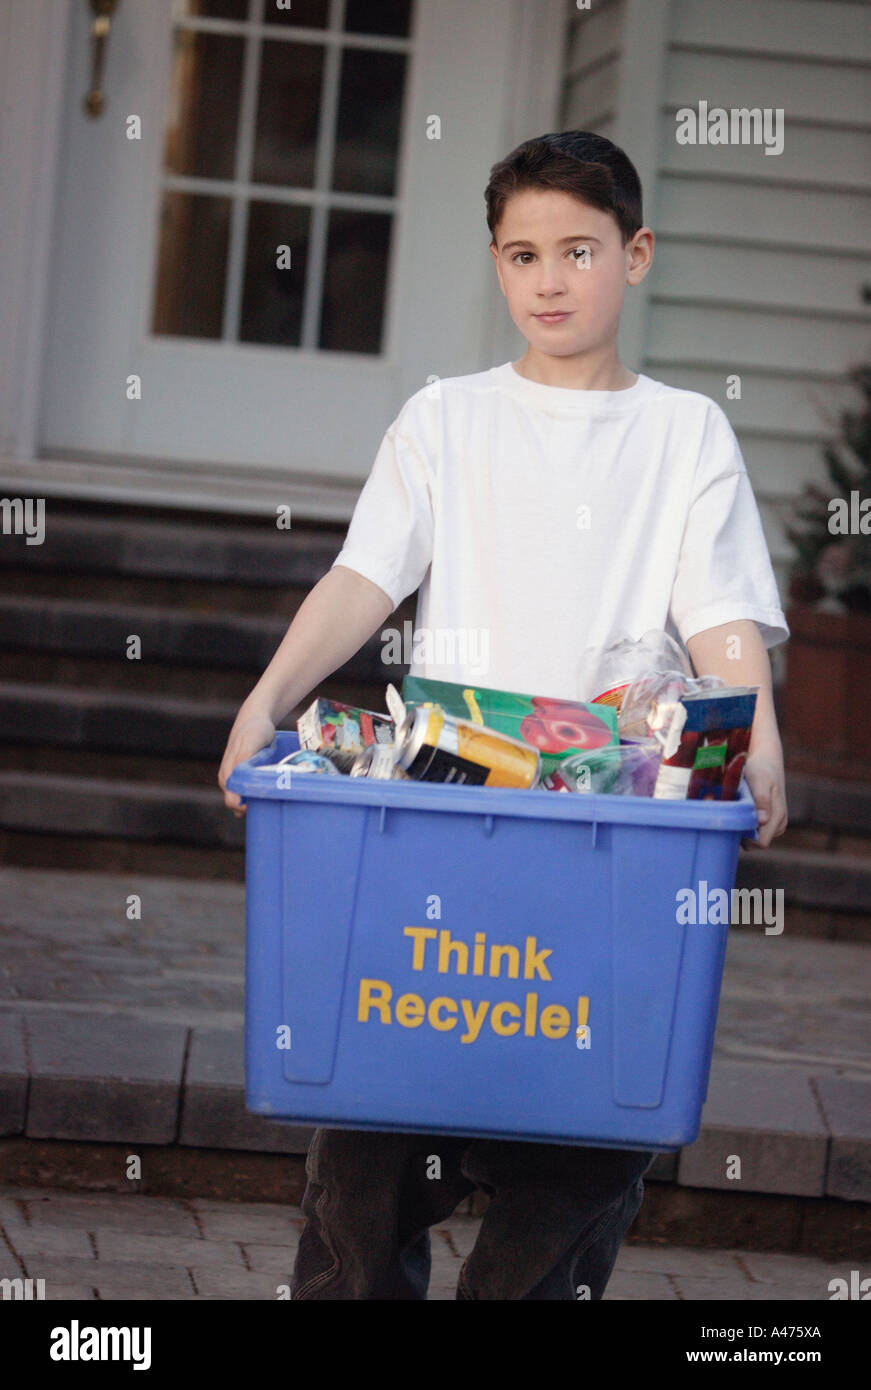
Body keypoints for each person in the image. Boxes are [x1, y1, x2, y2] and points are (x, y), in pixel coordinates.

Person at [218, 130, 789, 1299]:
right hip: (446, 810)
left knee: (581, 1136)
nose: (549, 279)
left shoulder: (684, 434)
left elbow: (720, 609)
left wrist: (759, 733)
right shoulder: (447, 420)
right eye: (522, 254)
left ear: (634, 256)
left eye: (578, 251)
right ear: (494, 265)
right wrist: (265, 697)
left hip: (612, 823)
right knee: (375, 1112)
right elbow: (363, 578)